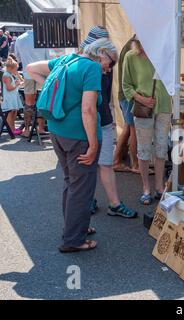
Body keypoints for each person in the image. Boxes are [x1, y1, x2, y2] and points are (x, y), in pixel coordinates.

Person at [27, 38, 118, 253]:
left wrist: (60, 90)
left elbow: (31, 69)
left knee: (72, 183)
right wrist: (94, 144)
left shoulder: (66, 60)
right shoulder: (92, 68)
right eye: (111, 62)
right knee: (81, 188)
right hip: (79, 136)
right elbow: (88, 110)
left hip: (58, 131)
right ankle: (74, 239)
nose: (109, 69)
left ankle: (75, 228)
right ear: (102, 52)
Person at [79, 26, 137, 219]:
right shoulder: (84, 64)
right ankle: (90, 200)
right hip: (87, 121)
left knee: (103, 164)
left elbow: (104, 95)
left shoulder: (103, 65)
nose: (108, 66)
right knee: (87, 166)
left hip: (100, 119)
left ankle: (114, 203)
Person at [122, 38, 172, 205]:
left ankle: (159, 187)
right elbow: (126, 85)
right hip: (144, 109)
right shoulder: (130, 57)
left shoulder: (163, 54)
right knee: (143, 150)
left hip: (164, 106)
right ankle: (146, 189)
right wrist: (141, 98)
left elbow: (172, 79)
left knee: (161, 148)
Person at [15, 29, 50, 138]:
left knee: (28, 103)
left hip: (28, 73)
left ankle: (26, 129)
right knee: (42, 100)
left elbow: (18, 58)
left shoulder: (20, 38)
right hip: (42, 73)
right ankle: (41, 128)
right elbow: (48, 58)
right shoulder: (43, 37)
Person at [113, 34, 140, 174]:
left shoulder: (130, 44)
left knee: (129, 128)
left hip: (126, 94)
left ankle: (117, 160)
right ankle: (134, 164)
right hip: (129, 95)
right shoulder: (132, 47)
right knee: (132, 128)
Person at [1, 57, 23, 135]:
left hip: (13, 96)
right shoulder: (7, 76)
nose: (16, 70)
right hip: (9, 97)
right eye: (16, 69)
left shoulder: (10, 74)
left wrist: (17, 74)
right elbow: (9, 88)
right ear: (10, 68)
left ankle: (13, 128)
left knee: (14, 112)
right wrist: (17, 84)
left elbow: (21, 80)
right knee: (10, 113)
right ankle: (11, 129)